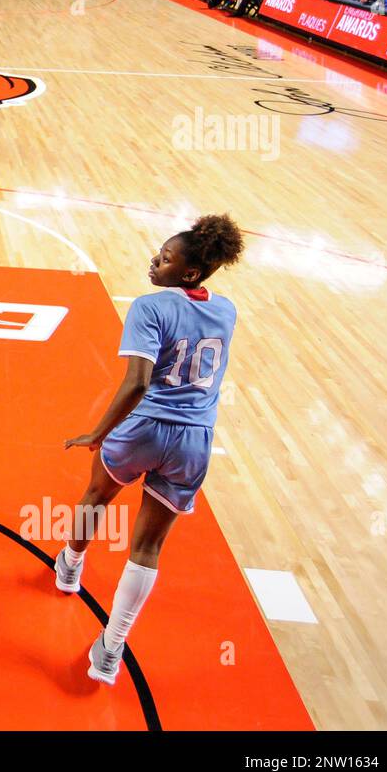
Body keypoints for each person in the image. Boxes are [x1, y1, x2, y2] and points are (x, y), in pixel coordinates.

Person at [55, 215, 244, 685]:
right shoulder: (228, 311)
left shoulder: (149, 306)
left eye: (164, 258)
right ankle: (110, 649)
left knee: (96, 496)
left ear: (190, 273)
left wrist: (97, 432)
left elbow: (138, 381)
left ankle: (70, 567)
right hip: (195, 442)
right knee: (148, 545)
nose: (154, 262)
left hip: (145, 429)